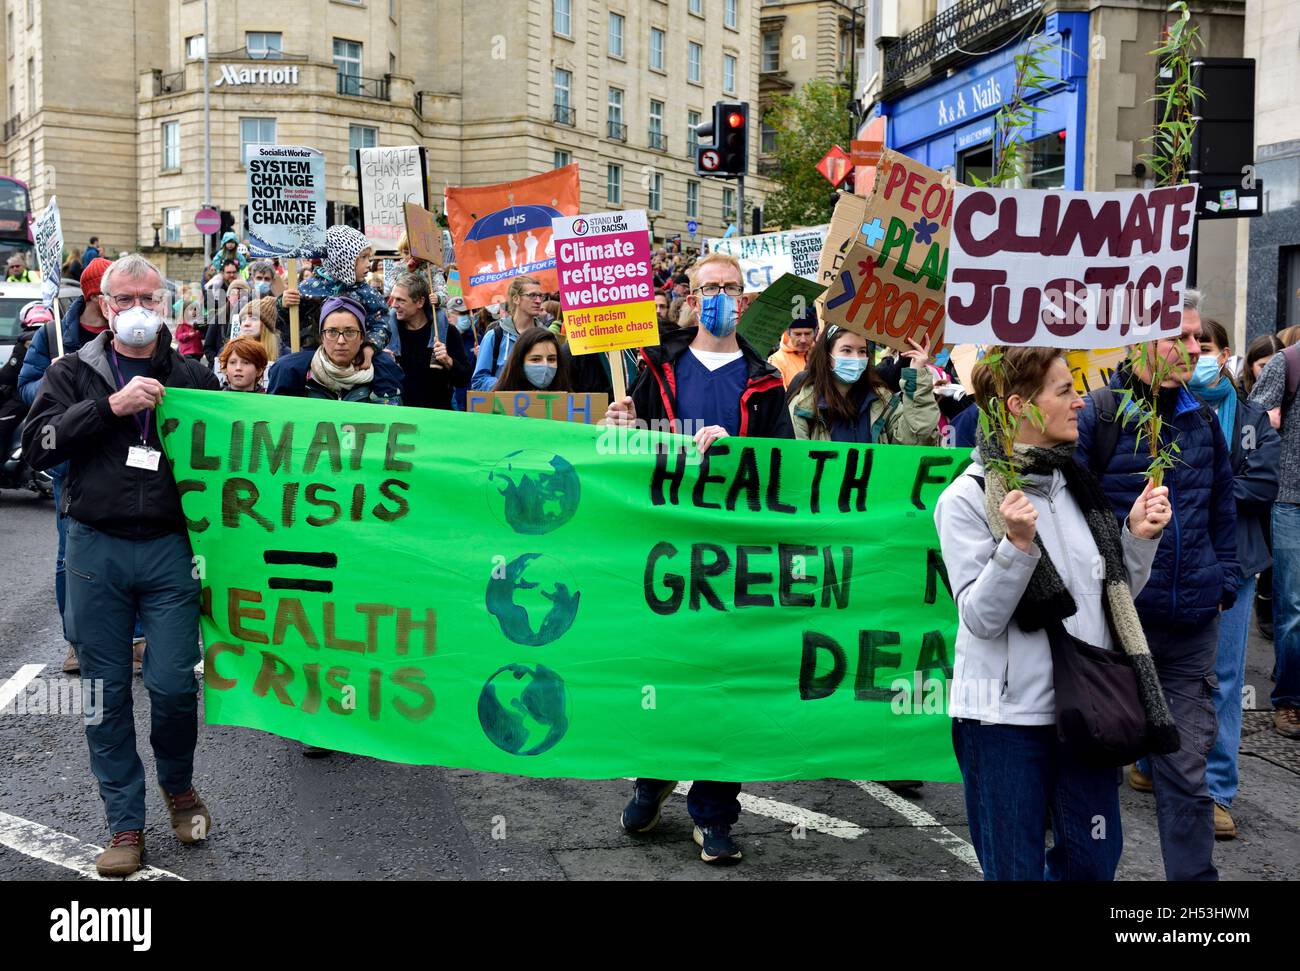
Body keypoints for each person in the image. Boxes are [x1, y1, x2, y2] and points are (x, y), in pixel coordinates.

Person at [936, 346, 1171, 880]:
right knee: (1014, 869)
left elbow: (1110, 598)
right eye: (1065, 391)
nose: (1081, 402)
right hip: (1002, 721)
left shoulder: (1076, 487)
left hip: (1084, 711)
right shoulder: (967, 498)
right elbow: (980, 617)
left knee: (1093, 862)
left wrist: (1136, 539)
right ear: (1019, 406)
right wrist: (1015, 547)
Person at [21, 253, 220, 877]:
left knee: (171, 685)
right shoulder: (70, 371)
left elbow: (236, 452)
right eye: (125, 299)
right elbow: (36, 447)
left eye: (150, 298)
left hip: (170, 550)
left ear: (166, 306)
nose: (138, 309)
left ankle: (179, 787)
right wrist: (109, 407)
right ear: (105, 307)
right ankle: (124, 822)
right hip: (94, 548)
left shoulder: (191, 374)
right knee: (103, 695)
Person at [604, 252, 793, 865]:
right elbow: (622, 459)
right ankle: (652, 779)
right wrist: (619, 426)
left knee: (724, 681)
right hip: (664, 552)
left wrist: (739, 454)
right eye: (707, 286)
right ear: (688, 295)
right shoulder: (655, 367)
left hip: (732, 557)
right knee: (665, 671)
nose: (717, 296)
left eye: (730, 288)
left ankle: (714, 813)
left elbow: (782, 470)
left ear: (745, 299)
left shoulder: (765, 380)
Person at [1075, 288, 1238, 881]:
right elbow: (1073, 515)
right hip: (1118, 625)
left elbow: (1222, 503)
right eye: (1182, 336)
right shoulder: (1098, 413)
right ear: (1143, 339)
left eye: (1197, 337)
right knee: (1095, 765)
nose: (1194, 349)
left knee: (1185, 770)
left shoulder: (1199, 418)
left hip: (1191, 623)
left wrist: (1222, 579)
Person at [1178, 317, 1281, 839]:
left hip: (1234, 564)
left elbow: (1263, 482)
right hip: (1172, 563)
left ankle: (1216, 791)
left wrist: (1207, 493)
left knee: (1222, 678)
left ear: (1225, 355)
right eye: (1190, 343)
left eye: (1207, 345)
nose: (1198, 352)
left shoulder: (1252, 417)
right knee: (1162, 669)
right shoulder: (1164, 411)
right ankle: (1155, 763)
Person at [17, 257, 116, 675]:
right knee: (70, 552)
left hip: (121, 457)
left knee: (135, 546)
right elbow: (26, 389)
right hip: (71, 462)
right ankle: (76, 642)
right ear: (97, 296)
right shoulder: (54, 333)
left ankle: (136, 639)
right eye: (115, 295)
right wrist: (52, 378)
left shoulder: (131, 333)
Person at [1248, 330, 1300, 740]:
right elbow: (1254, 419)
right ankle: (1289, 702)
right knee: (1294, 606)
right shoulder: (1288, 362)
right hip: (1291, 499)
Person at [789, 326, 940, 444]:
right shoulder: (802, 407)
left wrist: (917, 379)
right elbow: (797, 466)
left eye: (862, 351)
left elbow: (918, 442)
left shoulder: (883, 402)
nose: (856, 358)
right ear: (827, 356)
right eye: (847, 350)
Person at [268, 294, 403, 403]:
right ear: (321, 336)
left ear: (362, 337)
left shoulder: (385, 371)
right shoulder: (289, 371)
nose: (341, 341)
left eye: (350, 332)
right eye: (332, 332)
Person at [279, 226, 389, 353]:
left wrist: (370, 347)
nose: (369, 264)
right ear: (342, 259)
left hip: (357, 353)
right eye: (363, 257)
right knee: (286, 367)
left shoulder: (367, 292)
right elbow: (289, 327)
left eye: (368, 258)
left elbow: (381, 324)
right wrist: (284, 305)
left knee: (387, 367)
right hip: (314, 354)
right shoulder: (309, 288)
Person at [390, 271, 470, 409]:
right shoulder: (389, 334)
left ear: (420, 302)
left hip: (438, 418)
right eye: (393, 299)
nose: (393, 305)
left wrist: (448, 361)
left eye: (401, 300)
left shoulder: (447, 332)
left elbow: (463, 379)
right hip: (400, 419)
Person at [471, 276, 546, 391]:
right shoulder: (495, 336)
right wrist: (508, 385)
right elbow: (479, 380)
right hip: (504, 407)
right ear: (516, 299)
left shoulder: (547, 337)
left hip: (539, 406)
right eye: (532, 295)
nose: (538, 301)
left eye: (540, 296)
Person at [214, 296, 279, 389]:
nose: (246, 323)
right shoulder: (228, 350)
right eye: (243, 319)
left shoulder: (283, 355)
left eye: (253, 318)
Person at [493, 327, 572, 393]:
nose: (545, 364)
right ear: (520, 361)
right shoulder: (498, 401)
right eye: (536, 359)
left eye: (551, 359)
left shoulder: (571, 402)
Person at [768, 315, 817, 388]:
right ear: (788, 333)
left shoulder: (820, 353)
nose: (803, 340)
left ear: (815, 333)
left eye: (807, 334)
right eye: (798, 334)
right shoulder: (776, 360)